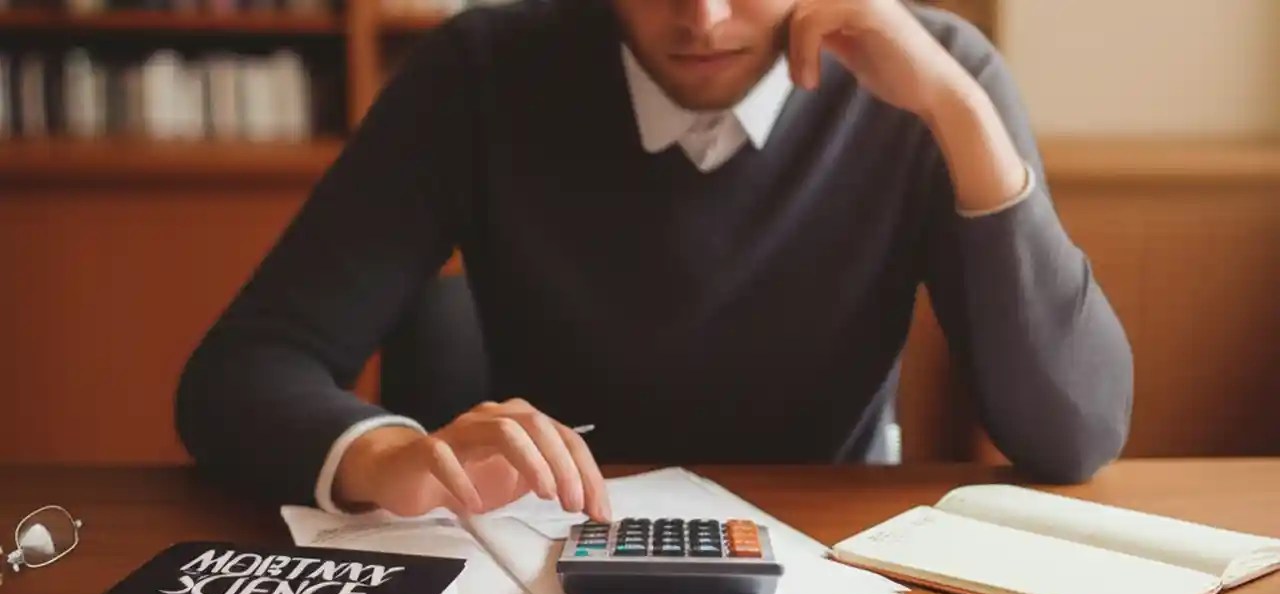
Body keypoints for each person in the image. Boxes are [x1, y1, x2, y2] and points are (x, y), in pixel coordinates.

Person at [175, 0, 1133, 525]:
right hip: (551, 567)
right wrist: (385, 456)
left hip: (830, 568)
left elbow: (1075, 431)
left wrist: (960, 114)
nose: (704, 17)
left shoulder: (933, 73)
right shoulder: (481, 70)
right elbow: (239, 375)